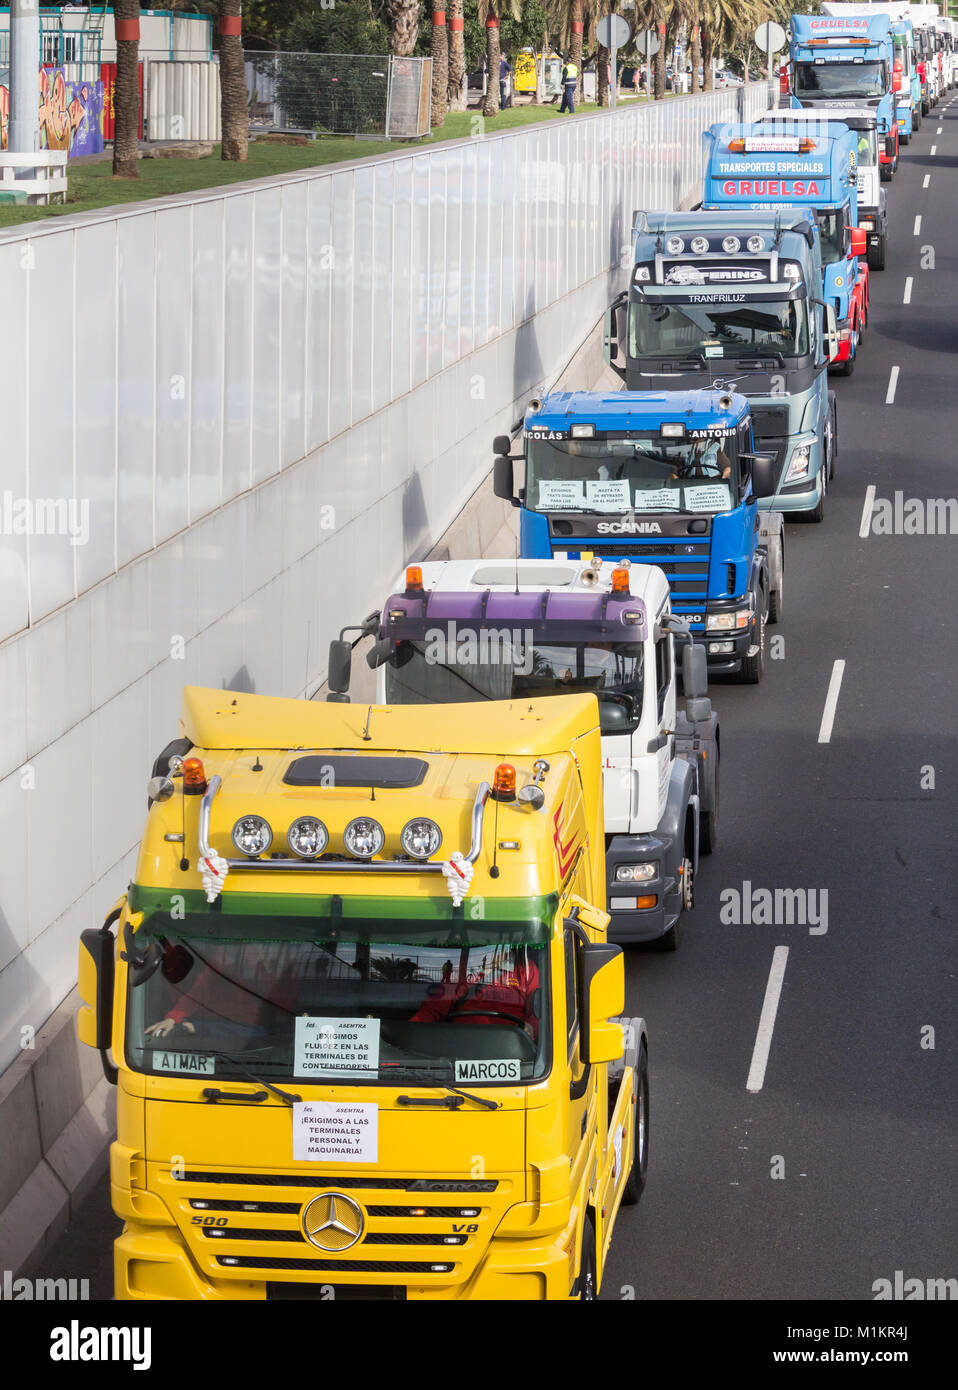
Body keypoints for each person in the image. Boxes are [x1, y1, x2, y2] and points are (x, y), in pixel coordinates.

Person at [410, 952, 540, 1037]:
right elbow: (432, 1010)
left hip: (510, 1048)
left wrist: (530, 1029)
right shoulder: (460, 969)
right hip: (462, 1044)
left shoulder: (526, 969)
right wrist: (409, 1032)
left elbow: (537, 1011)